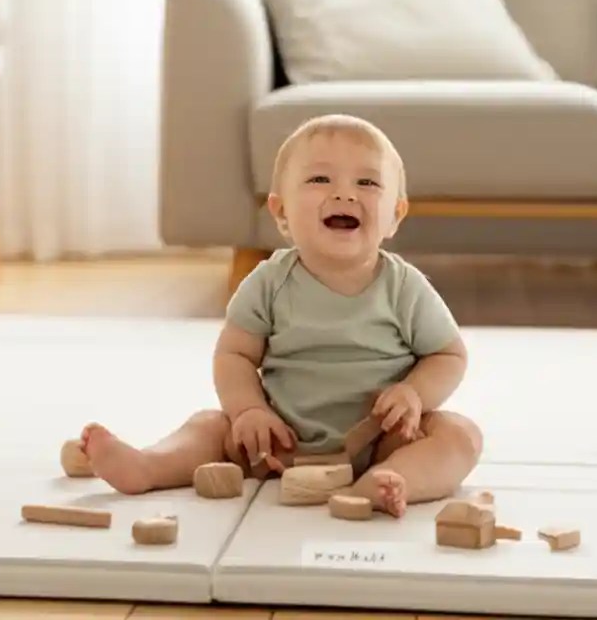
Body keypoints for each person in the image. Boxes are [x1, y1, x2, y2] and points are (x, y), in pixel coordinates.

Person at [79, 114, 481, 517]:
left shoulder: (405, 287)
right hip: (275, 440)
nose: (344, 194)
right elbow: (234, 356)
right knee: (209, 426)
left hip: (381, 442)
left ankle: (390, 482)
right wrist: (249, 411)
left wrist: (414, 393)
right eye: (320, 180)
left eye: (367, 182)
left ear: (395, 214)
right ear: (281, 211)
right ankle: (149, 466)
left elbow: (448, 355)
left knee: (459, 435)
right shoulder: (269, 282)